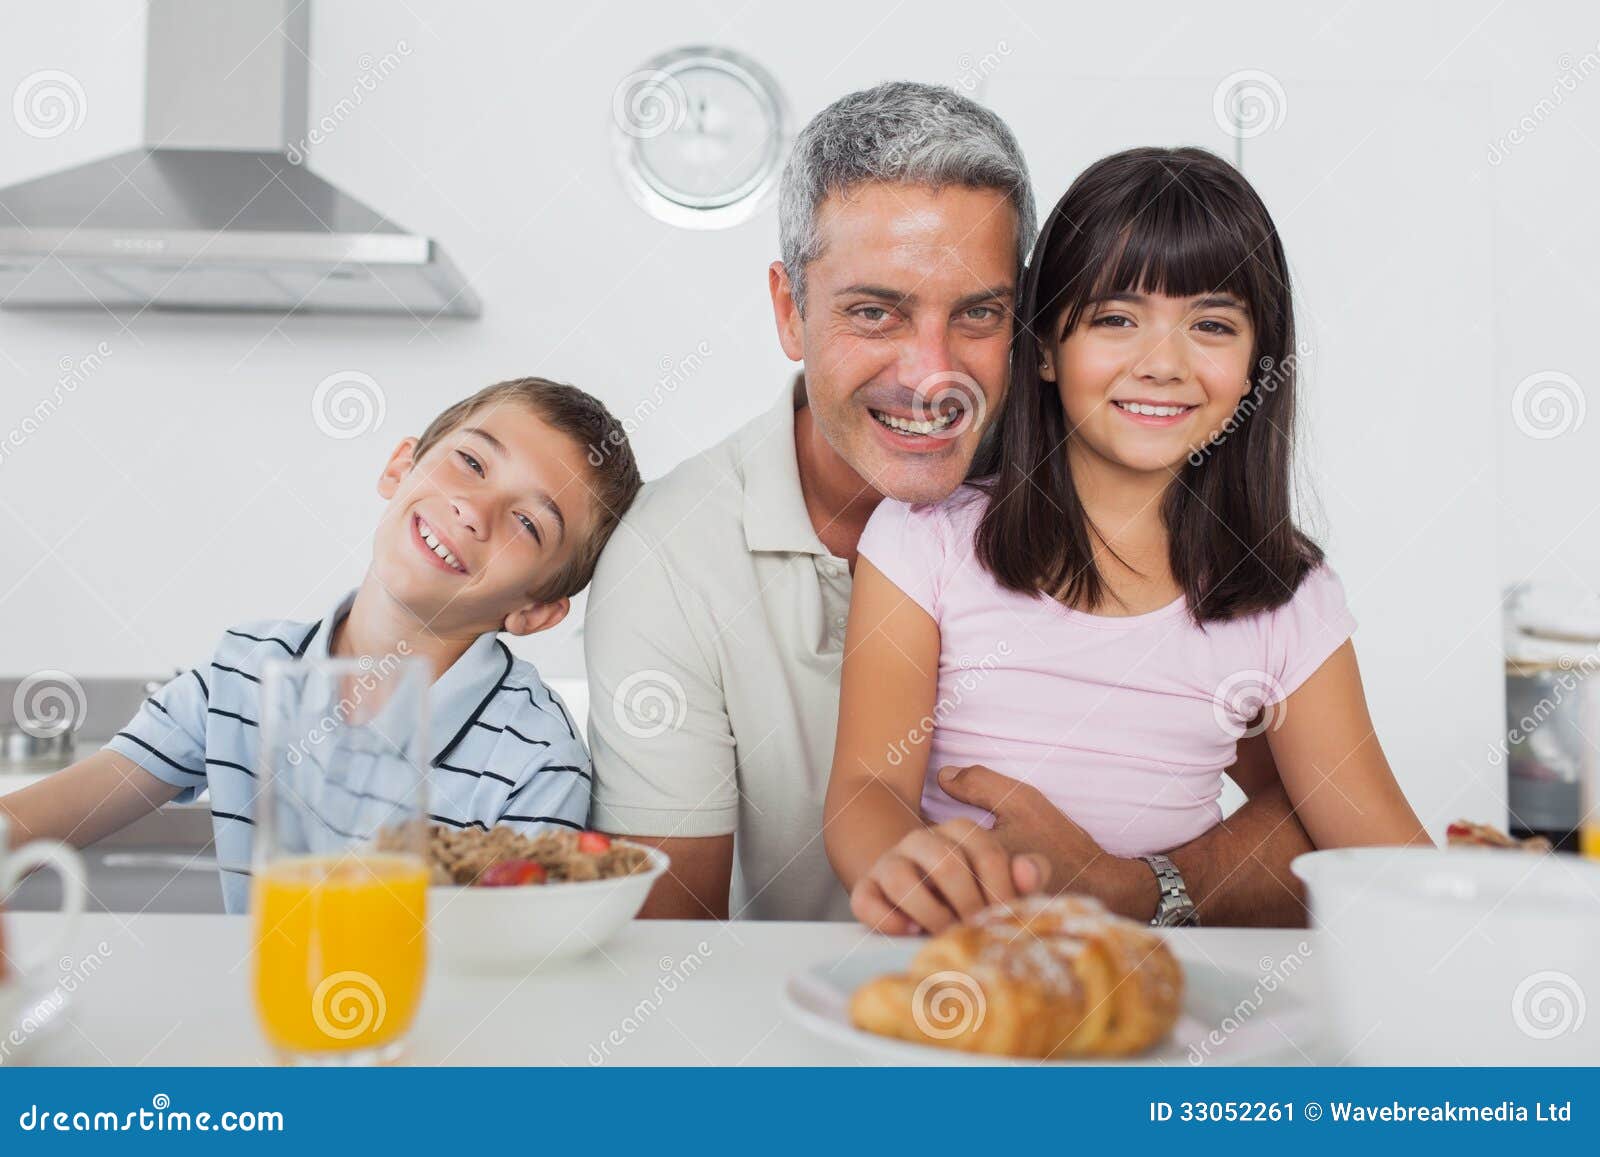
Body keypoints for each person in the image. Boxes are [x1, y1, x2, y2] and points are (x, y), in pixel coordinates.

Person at [585, 82, 1320, 925]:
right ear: (791, 310)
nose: (932, 374)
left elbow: (1311, 820)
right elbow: (674, 955)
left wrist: (1140, 884)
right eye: (875, 312)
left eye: (978, 313)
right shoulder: (672, 558)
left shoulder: (1120, 484)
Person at [825, 146, 1433, 935]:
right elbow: (868, 784)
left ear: (1257, 366)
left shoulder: (1288, 597)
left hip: (1167, 1002)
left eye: (1212, 325)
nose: (1163, 363)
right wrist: (908, 867)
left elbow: (1379, 852)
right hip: (961, 970)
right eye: (1117, 319)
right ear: (1042, 347)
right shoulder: (926, 541)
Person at [0, 378, 642, 913]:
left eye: (527, 522)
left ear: (533, 611)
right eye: (471, 463)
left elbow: (517, 967)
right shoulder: (241, 672)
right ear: (401, 466)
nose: (474, 510)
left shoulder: (536, 761)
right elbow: (37, 820)